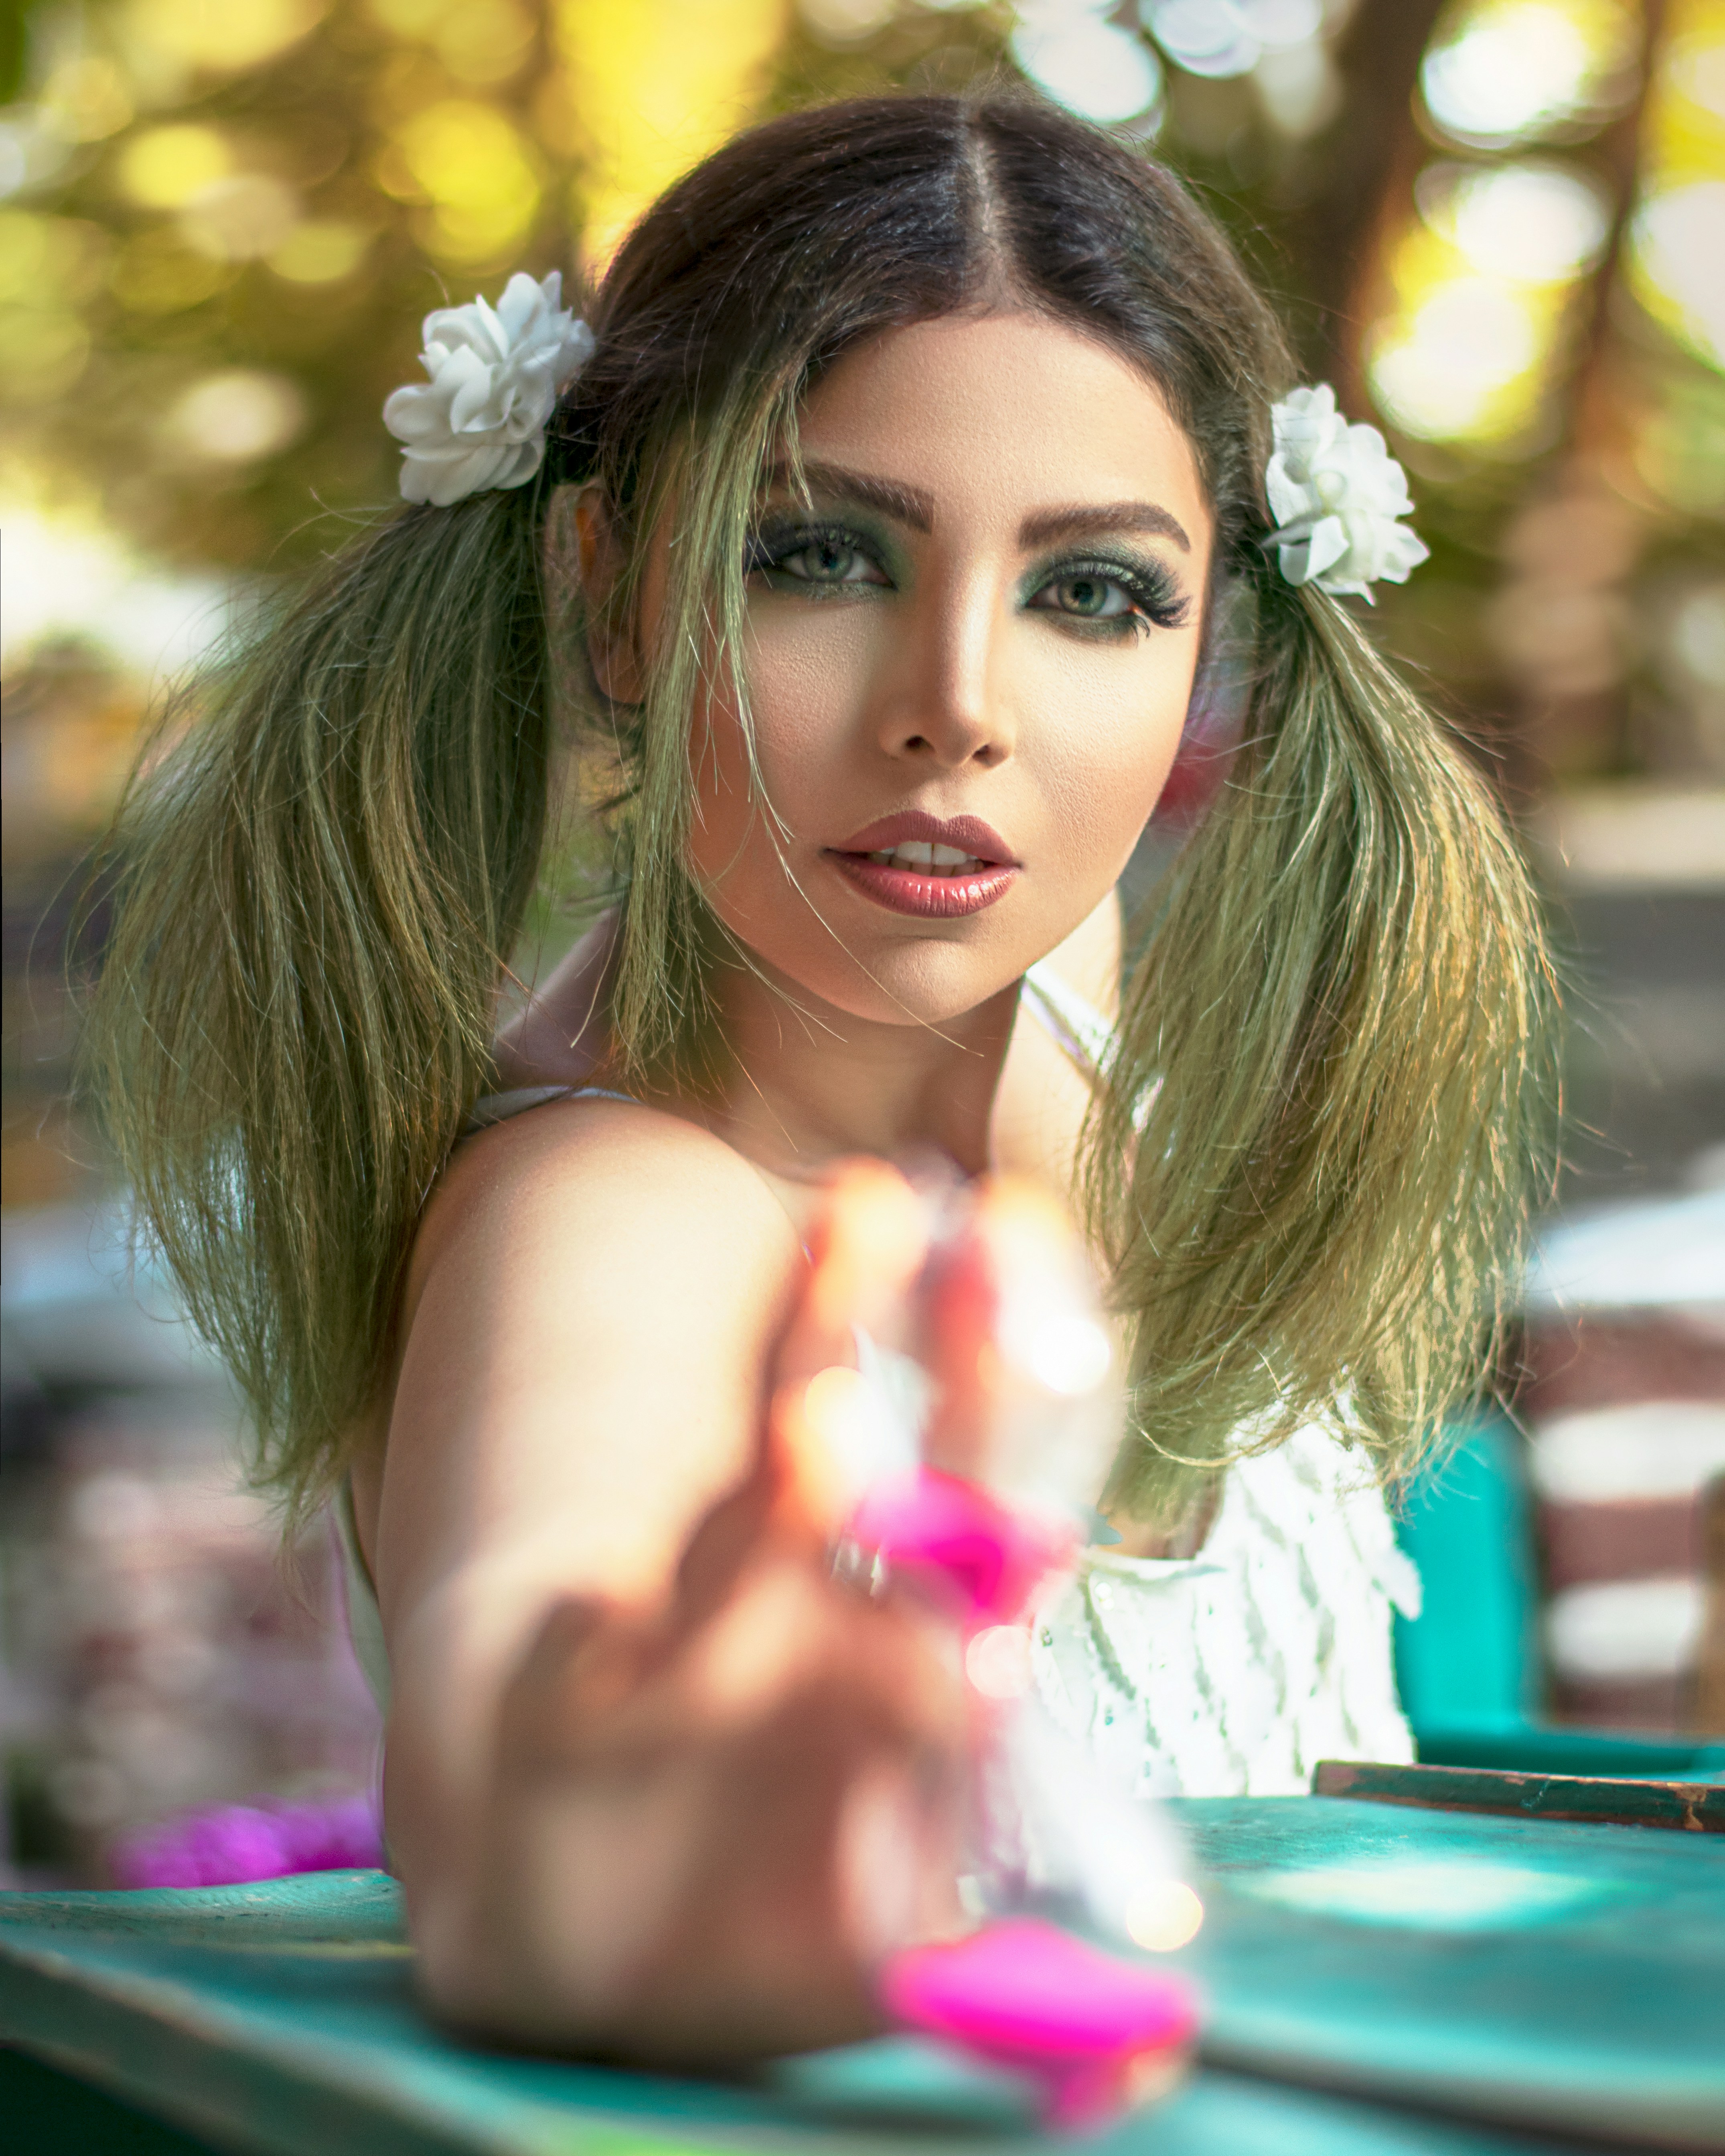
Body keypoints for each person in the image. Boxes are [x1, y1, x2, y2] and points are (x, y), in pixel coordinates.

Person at [86, 93, 1553, 2062]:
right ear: (610, 588)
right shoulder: (605, 1220)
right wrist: (604, 1824)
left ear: (1211, 646)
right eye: (817, 556)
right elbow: (519, 1769)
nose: (956, 707)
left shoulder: (1051, 998)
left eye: (1091, 593)